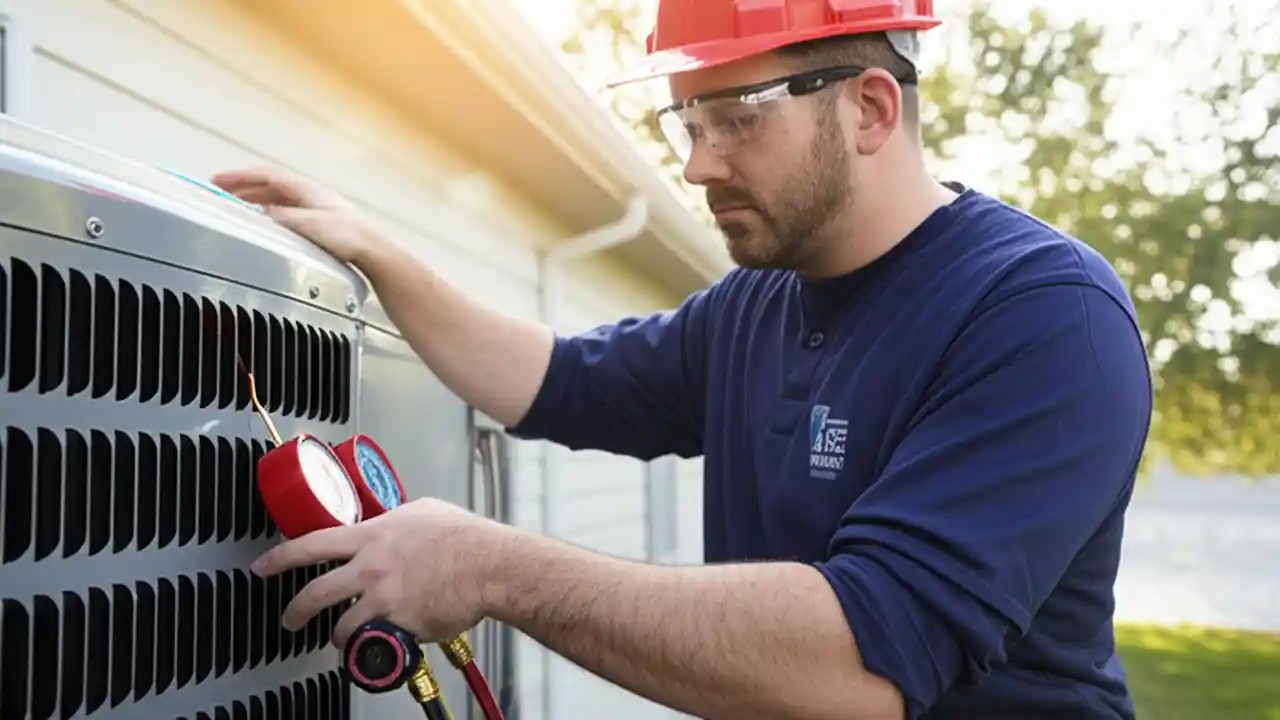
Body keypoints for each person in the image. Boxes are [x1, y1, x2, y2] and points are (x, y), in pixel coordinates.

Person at [213, 1, 1152, 718]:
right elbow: (551, 379)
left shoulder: (1039, 314)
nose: (698, 167)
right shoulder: (753, 308)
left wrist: (492, 568)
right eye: (687, 125)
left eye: (737, 117)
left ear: (870, 108)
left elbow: (861, 665)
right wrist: (378, 252)